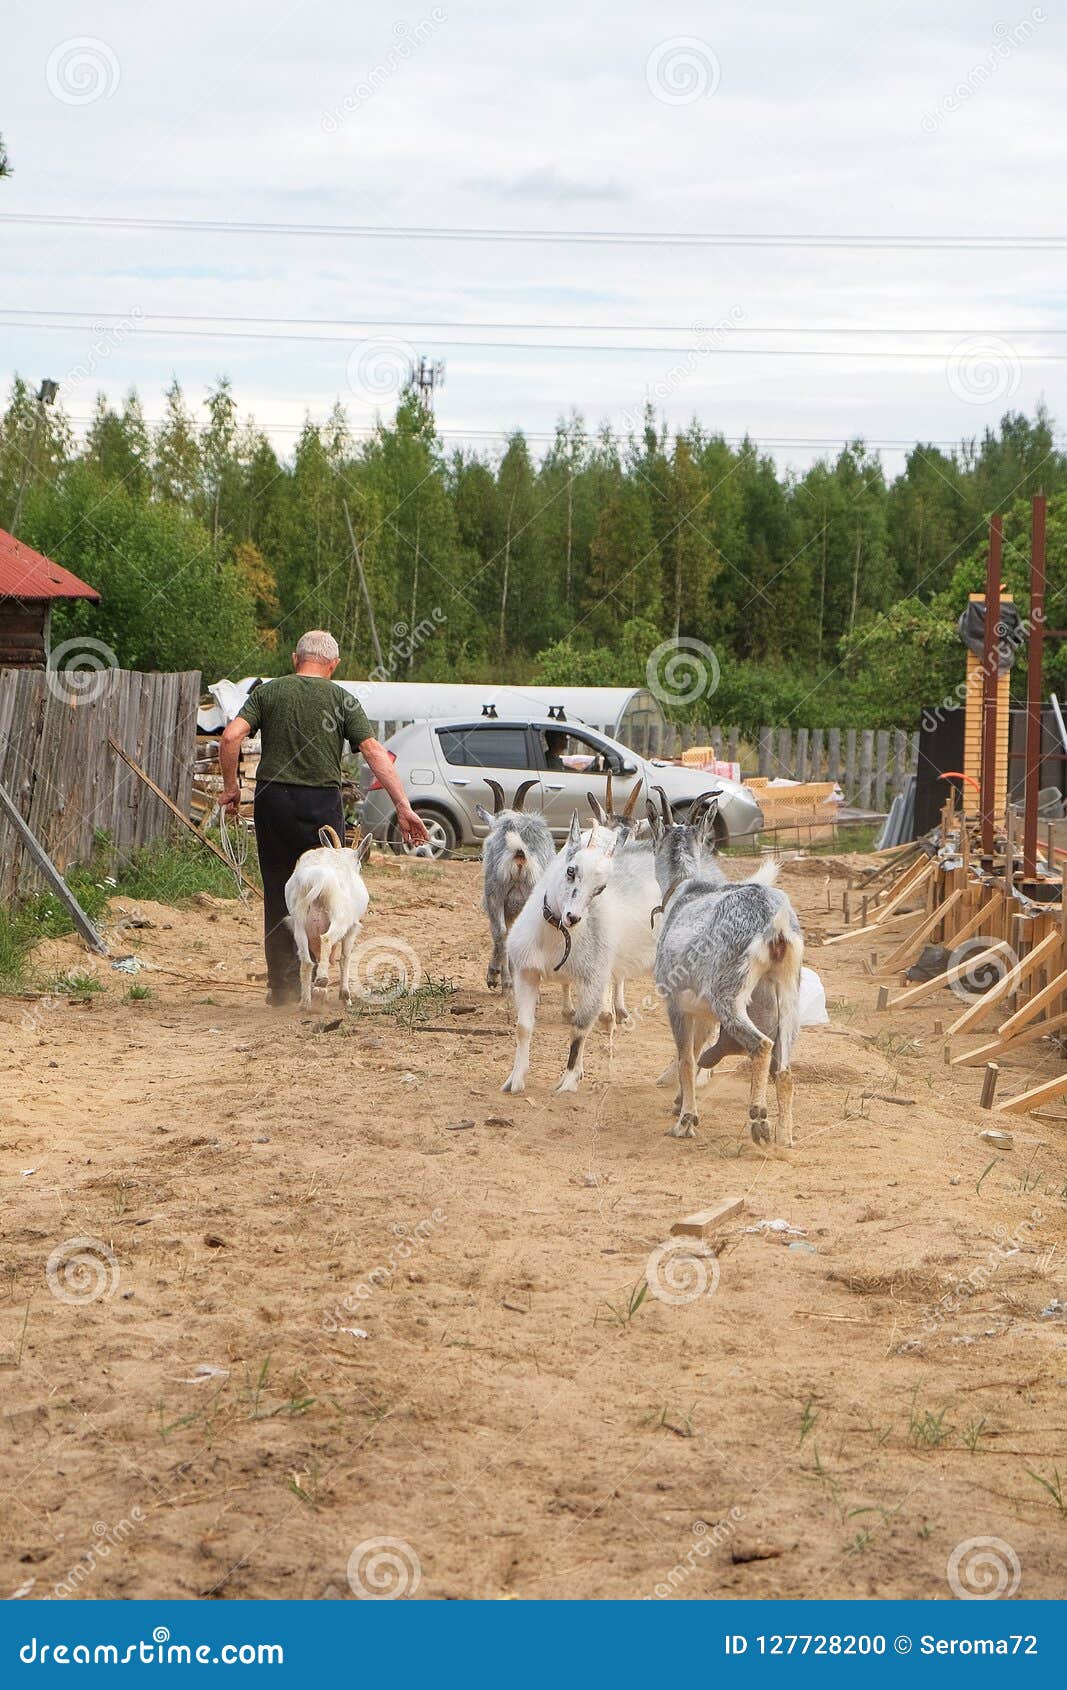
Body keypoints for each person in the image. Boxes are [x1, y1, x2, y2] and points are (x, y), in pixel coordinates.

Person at [217, 630, 430, 1006]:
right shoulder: (342, 700)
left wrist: (231, 788)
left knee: (281, 890)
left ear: (295, 658)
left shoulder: (267, 693)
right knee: (331, 888)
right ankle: (320, 975)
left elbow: (231, 737)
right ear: (333, 664)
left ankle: (282, 987)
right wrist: (403, 805)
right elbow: (373, 751)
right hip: (321, 806)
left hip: (274, 802)